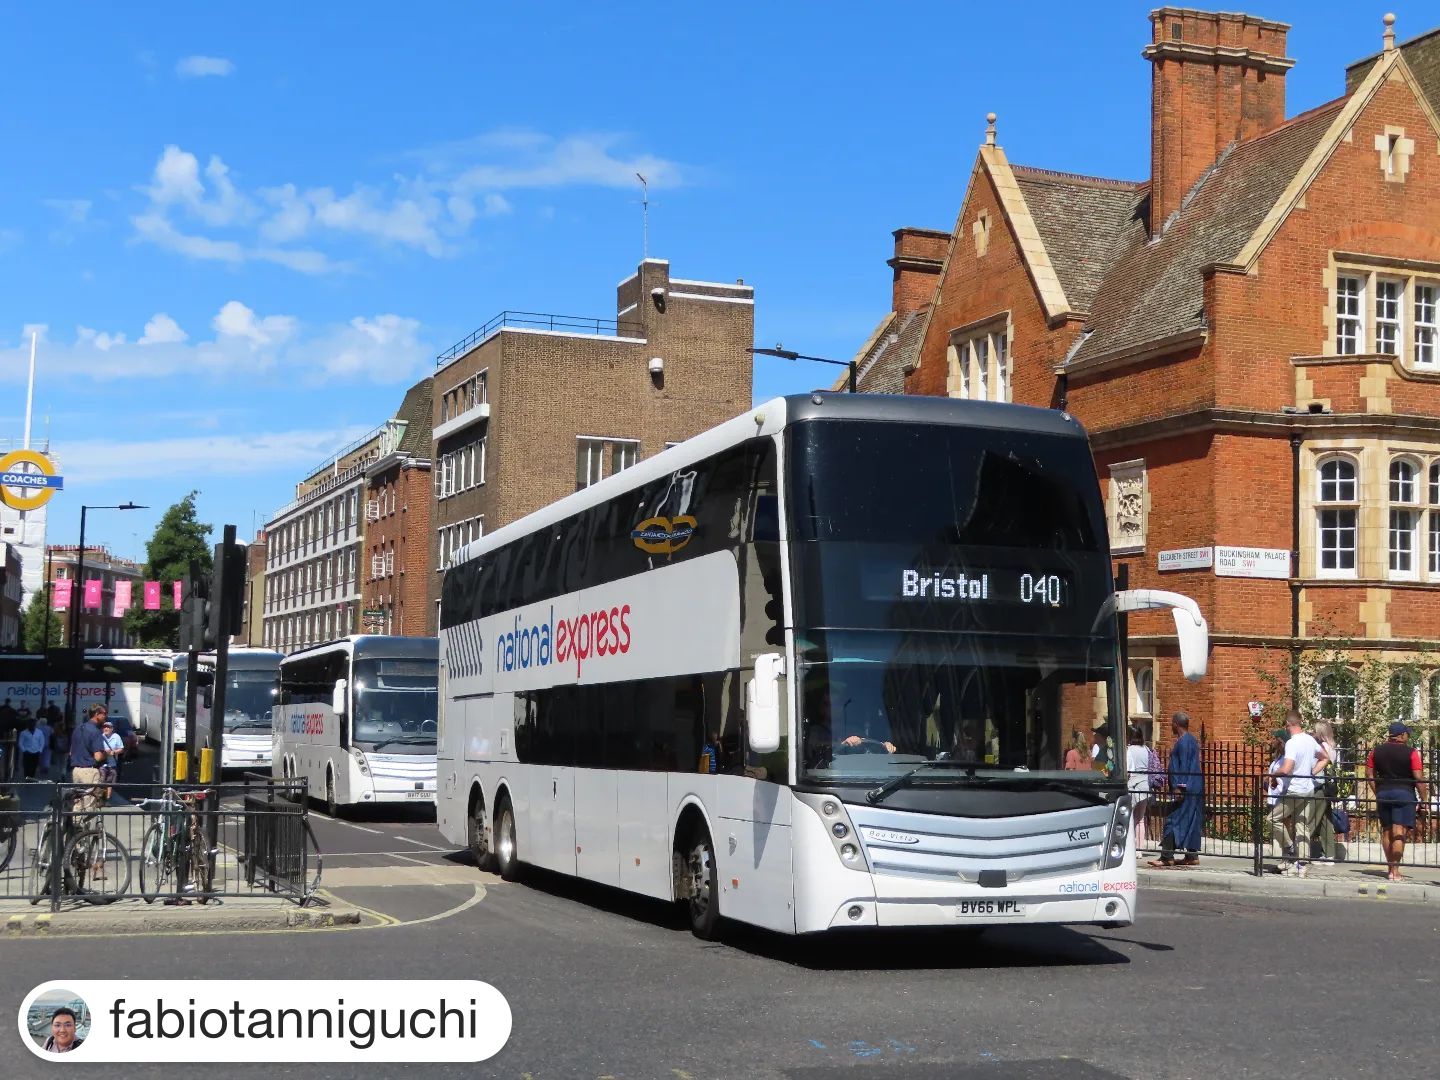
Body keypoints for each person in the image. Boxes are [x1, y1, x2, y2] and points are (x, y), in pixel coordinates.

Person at [1367, 721, 1428, 883]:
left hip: (1384, 793)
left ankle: (1389, 869)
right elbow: (1418, 778)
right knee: (1399, 831)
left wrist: (1377, 791)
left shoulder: (1375, 751)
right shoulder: (1412, 753)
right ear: (1401, 735)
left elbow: (1369, 775)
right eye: (1407, 734)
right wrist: (1424, 799)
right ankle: (1395, 870)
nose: (1408, 736)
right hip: (1404, 794)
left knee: (1386, 831)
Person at [1270, 710, 1327, 877]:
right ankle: (1302, 865)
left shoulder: (1292, 743)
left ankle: (1289, 849)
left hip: (1296, 790)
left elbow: (1287, 768)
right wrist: (1312, 772)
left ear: (1288, 724)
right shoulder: (1310, 739)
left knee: (1272, 819)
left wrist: (1273, 775)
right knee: (1301, 825)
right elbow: (1325, 757)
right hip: (1308, 789)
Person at [1150, 711, 1204, 867]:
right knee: (1192, 820)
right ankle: (1192, 856)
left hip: (1186, 788)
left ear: (1176, 724)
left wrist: (1179, 787)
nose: (1170, 726)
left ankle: (1167, 857)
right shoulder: (1190, 740)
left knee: (1173, 820)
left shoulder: (1185, 742)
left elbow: (1185, 765)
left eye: (1171, 723)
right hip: (1194, 787)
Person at [68, 705, 110, 815]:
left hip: (76, 771)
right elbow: (98, 757)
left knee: (77, 803)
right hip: (89, 772)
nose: (106, 716)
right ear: (96, 714)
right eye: (104, 713)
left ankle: (74, 829)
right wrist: (107, 753)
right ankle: (83, 831)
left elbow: (71, 752)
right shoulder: (95, 732)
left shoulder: (78, 728)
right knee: (88, 807)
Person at [1311, 719, 1341, 862]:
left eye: (1314, 730)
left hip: (1320, 786)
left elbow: (1314, 766)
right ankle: (1329, 854)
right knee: (1325, 821)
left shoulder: (1321, 747)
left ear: (1320, 732)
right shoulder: (1332, 746)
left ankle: (1299, 853)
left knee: (1311, 820)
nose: (1313, 733)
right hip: (1329, 788)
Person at [1125, 725, 1151, 848]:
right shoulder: (1146, 749)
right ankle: (1139, 848)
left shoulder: (1129, 750)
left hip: (1133, 785)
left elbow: (1128, 769)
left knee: (1130, 818)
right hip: (1145, 784)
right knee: (1140, 819)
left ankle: (1130, 846)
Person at [100, 720, 124, 792]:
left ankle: (108, 798)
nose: (106, 729)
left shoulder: (116, 737)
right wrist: (104, 752)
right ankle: (102, 797)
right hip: (102, 764)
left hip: (112, 764)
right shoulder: (100, 737)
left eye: (108, 727)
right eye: (104, 727)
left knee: (110, 783)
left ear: (112, 729)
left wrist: (114, 752)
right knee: (102, 782)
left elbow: (121, 749)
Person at [35, 708, 54, 779]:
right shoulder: (49, 728)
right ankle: (46, 766)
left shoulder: (38, 728)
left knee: (40, 757)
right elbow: (53, 734)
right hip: (48, 744)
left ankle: (41, 768)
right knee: (47, 756)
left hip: (39, 744)